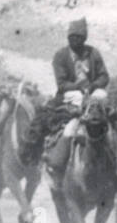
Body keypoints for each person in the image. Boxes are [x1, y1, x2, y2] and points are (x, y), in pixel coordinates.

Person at [47, 18, 110, 180]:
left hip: (92, 92)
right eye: (72, 37)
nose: (75, 40)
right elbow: (61, 84)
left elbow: (104, 76)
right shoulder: (61, 55)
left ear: (84, 38)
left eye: (79, 37)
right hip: (73, 94)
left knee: (104, 98)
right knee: (81, 102)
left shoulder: (93, 52)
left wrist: (93, 86)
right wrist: (80, 87)